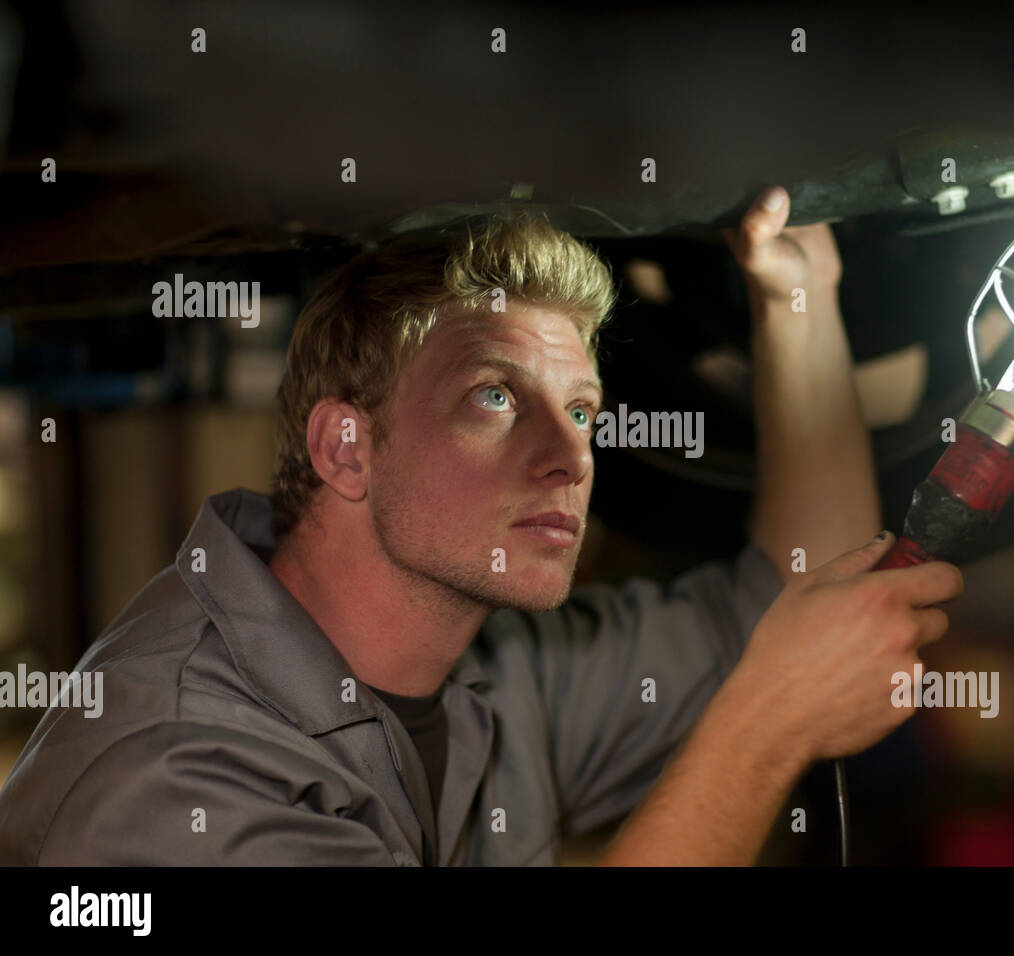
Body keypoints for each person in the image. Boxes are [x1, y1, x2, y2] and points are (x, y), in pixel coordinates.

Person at [0, 186, 961, 865]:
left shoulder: (493, 677)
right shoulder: (175, 783)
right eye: (496, 396)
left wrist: (798, 298)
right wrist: (764, 727)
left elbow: (790, 599)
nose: (571, 456)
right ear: (346, 449)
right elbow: (770, 681)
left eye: (582, 410)